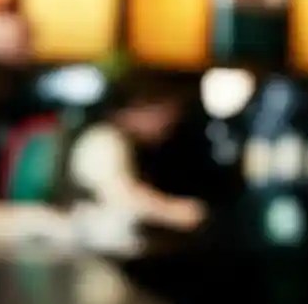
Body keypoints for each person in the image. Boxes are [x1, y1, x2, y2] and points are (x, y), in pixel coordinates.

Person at [67, 78, 208, 232]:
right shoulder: (104, 139)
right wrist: (177, 212)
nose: (170, 124)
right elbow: (121, 197)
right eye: (164, 113)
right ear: (140, 106)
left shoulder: (131, 144)